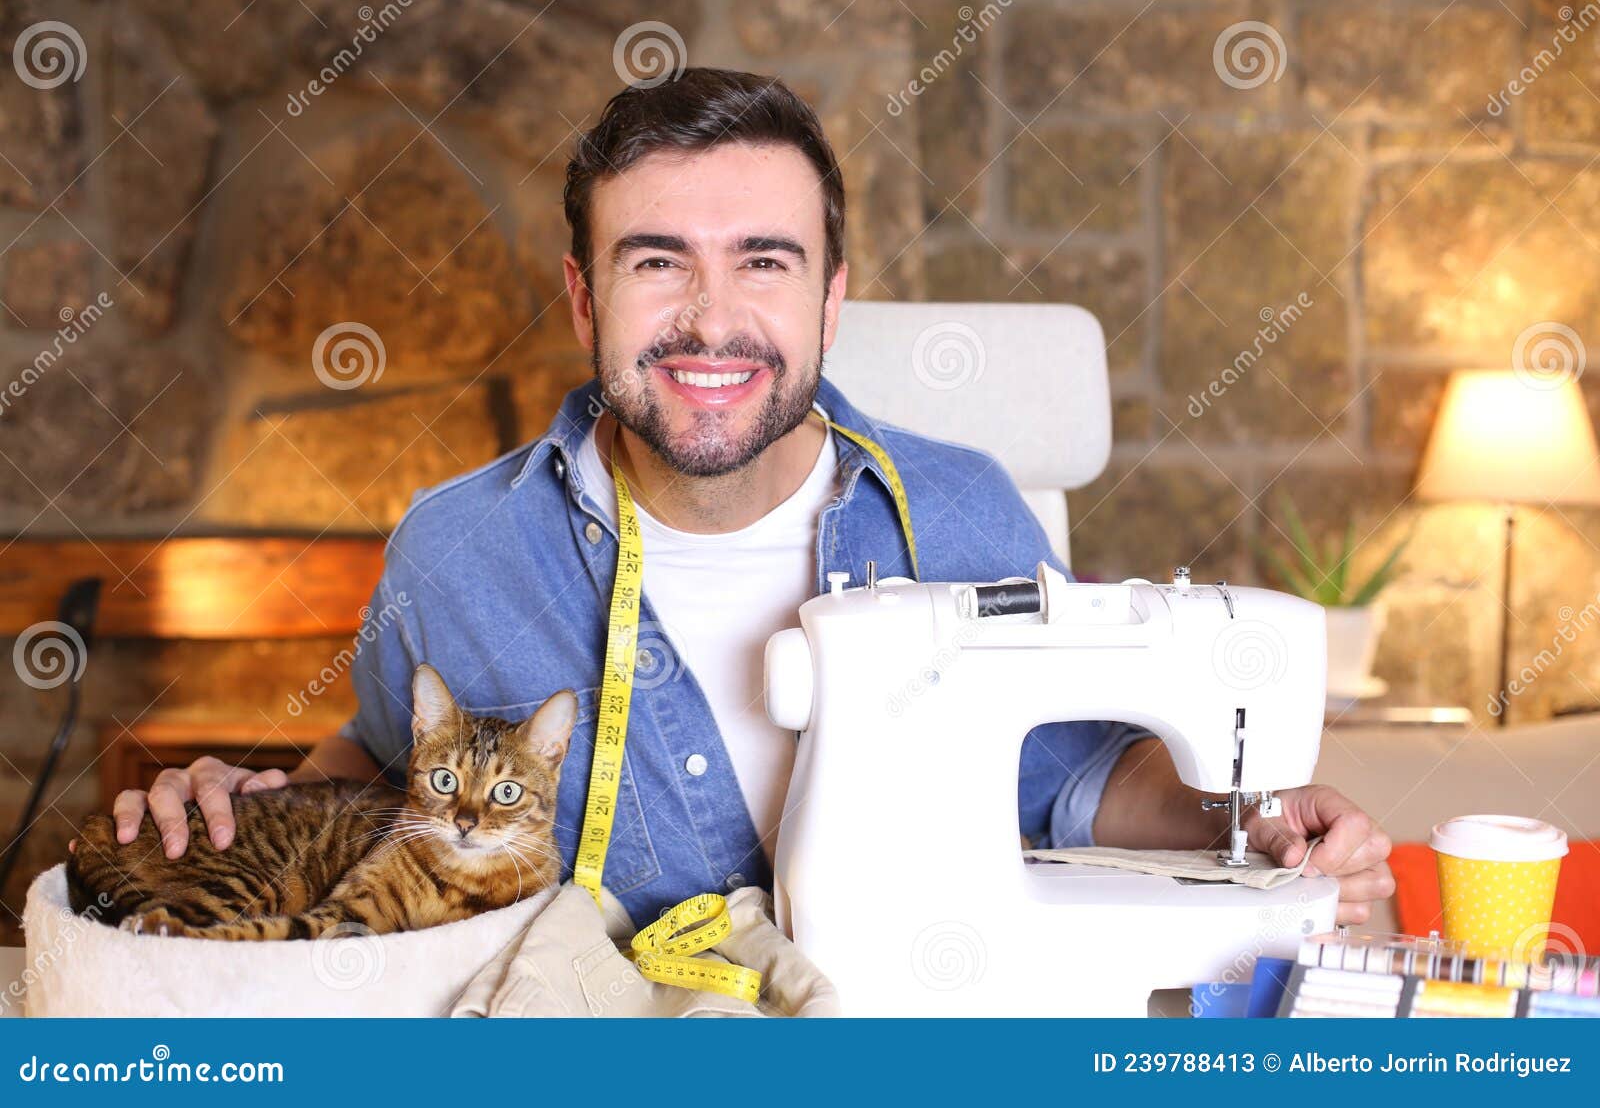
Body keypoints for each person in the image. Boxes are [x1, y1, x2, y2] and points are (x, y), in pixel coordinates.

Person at [104, 67, 1394, 928]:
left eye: (764, 261)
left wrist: (1254, 818)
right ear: (583, 299)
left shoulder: (961, 514)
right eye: (657, 262)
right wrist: (239, 810)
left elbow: (1077, 786)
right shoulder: (457, 551)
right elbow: (380, 773)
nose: (712, 319)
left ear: (831, 300)